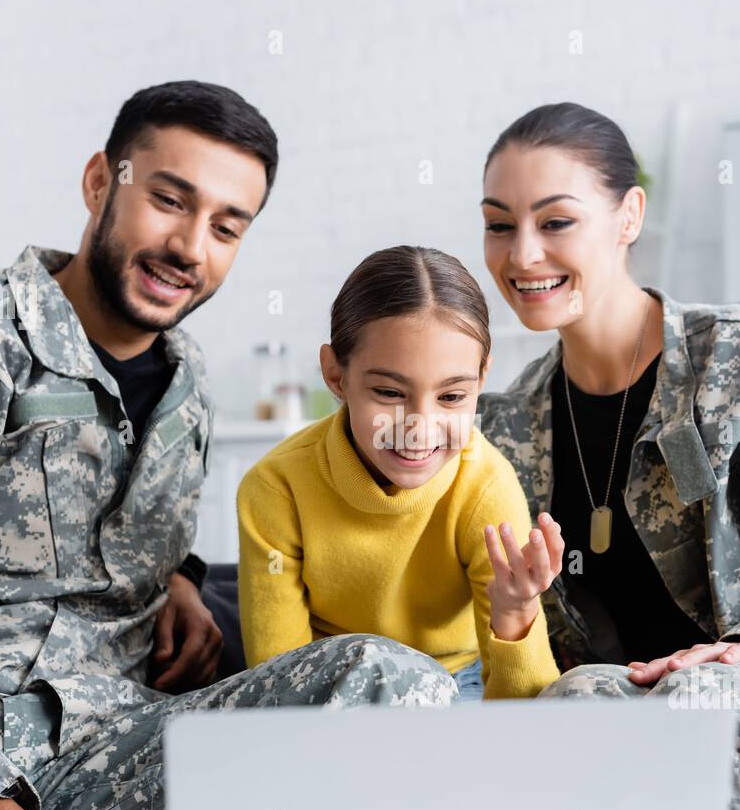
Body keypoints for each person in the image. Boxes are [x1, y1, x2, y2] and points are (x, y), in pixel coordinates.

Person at [0, 81, 459, 810]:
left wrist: (178, 581)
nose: (189, 247)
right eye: (170, 201)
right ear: (101, 183)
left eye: (225, 227)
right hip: (14, 773)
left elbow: (137, 537)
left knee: (390, 682)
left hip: (133, 750)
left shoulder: (189, 383)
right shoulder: (4, 342)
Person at [477, 101, 740, 810]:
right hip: (641, 707)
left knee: (704, 698)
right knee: (574, 703)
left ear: (627, 217)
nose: (521, 256)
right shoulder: (508, 427)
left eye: (555, 222)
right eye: (498, 224)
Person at [237, 246, 563, 700]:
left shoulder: (486, 485)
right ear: (336, 375)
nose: (419, 426)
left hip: (458, 682)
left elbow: (521, 713)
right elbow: (277, 685)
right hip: (334, 687)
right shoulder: (276, 489)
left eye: (450, 397)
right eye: (389, 392)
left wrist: (515, 614)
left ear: (482, 377)